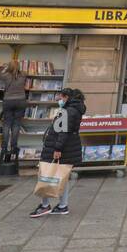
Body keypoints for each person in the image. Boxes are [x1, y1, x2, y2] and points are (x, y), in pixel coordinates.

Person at [30, 88, 85, 218]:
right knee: (62, 176)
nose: (59, 100)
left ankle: (45, 205)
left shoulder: (68, 111)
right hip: (66, 147)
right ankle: (62, 205)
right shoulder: (74, 109)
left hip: (59, 147)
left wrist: (57, 149)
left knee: (45, 173)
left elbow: (63, 131)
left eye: (60, 98)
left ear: (66, 97)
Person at [0, 61, 28, 162]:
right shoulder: (23, 75)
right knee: (16, 124)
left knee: (7, 124)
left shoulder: (6, 75)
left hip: (8, 101)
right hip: (20, 101)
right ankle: (13, 147)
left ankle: (4, 147)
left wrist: (2, 66)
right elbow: (25, 72)